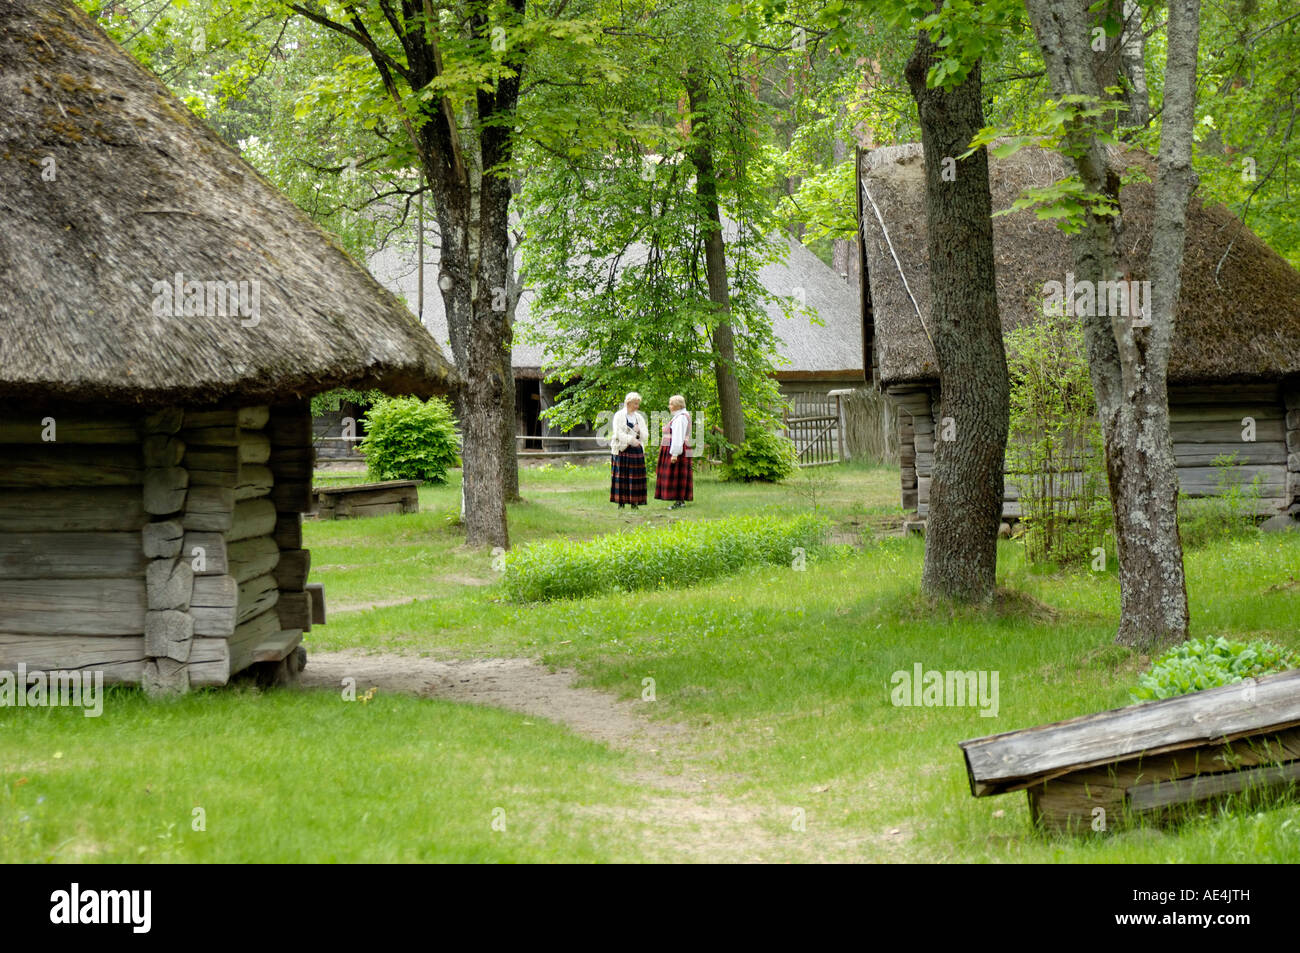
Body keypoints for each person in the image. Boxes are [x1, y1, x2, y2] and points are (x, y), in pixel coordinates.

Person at [610, 392, 649, 510]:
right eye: (635, 404)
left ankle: (634, 503)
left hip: (636, 451)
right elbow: (618, 432)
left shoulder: (639, 417)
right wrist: (631, 438)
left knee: (635, 477)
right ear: (628, 403)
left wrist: (639, 433)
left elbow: (645, 434)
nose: (637, 406)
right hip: (622, 449)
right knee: (622, 476)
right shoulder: (619, 415)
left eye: (638, 404)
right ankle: (620, 503)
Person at [654, 394, 693, 509]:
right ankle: (680, 501)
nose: (669, 406)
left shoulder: (680, 418)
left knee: (677, 475)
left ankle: (679, 502)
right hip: (681, 448)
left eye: (671, 404)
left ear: (677, 406)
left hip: (678, 450)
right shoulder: (680, 416)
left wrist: (675, 454)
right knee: (680, 475)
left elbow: (678, 436)